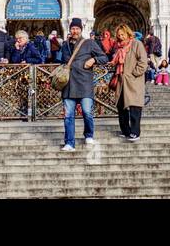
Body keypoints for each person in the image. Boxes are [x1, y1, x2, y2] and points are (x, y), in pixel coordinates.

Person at [59, 18, 109, 151]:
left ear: (81, 30)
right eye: (73, 29)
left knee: (87, 112)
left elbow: (105, 58)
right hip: (69, 85)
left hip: (85, 84)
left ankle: (89, 134)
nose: (75, 31)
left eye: (77, 29)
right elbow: (61, 61)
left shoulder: (89, 43)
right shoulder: (65, 45)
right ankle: (69, 143)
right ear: (70, 30)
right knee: (68, 116)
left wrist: (93, 59)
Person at [113, 24, 149, 141]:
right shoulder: (119, 48)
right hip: (121, 80)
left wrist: (134, 73)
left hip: (133, 81)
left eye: (122, 34)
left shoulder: (136, 44)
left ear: (128, 33)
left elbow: (143, 61)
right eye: (119, 35)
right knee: (121, 106)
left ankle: (135, 132)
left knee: (135, 107)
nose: (121, 37)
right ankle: (125, 130)